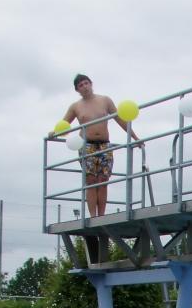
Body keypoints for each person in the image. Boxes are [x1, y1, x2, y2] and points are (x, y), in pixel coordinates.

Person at [53, 73, 139, 219]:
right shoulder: (75, 106)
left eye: (86, 83)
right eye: (81, 85)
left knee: (103, 180)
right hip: (87, 145)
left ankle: (101, 215)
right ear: (77, 90)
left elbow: (120, 119)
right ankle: (93, 216)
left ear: (91, 84)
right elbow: (64, 124)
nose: (84, 87)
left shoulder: (105, 100)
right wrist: (53, 132)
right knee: (91, 181)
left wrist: (135, 138)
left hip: (104, 144)